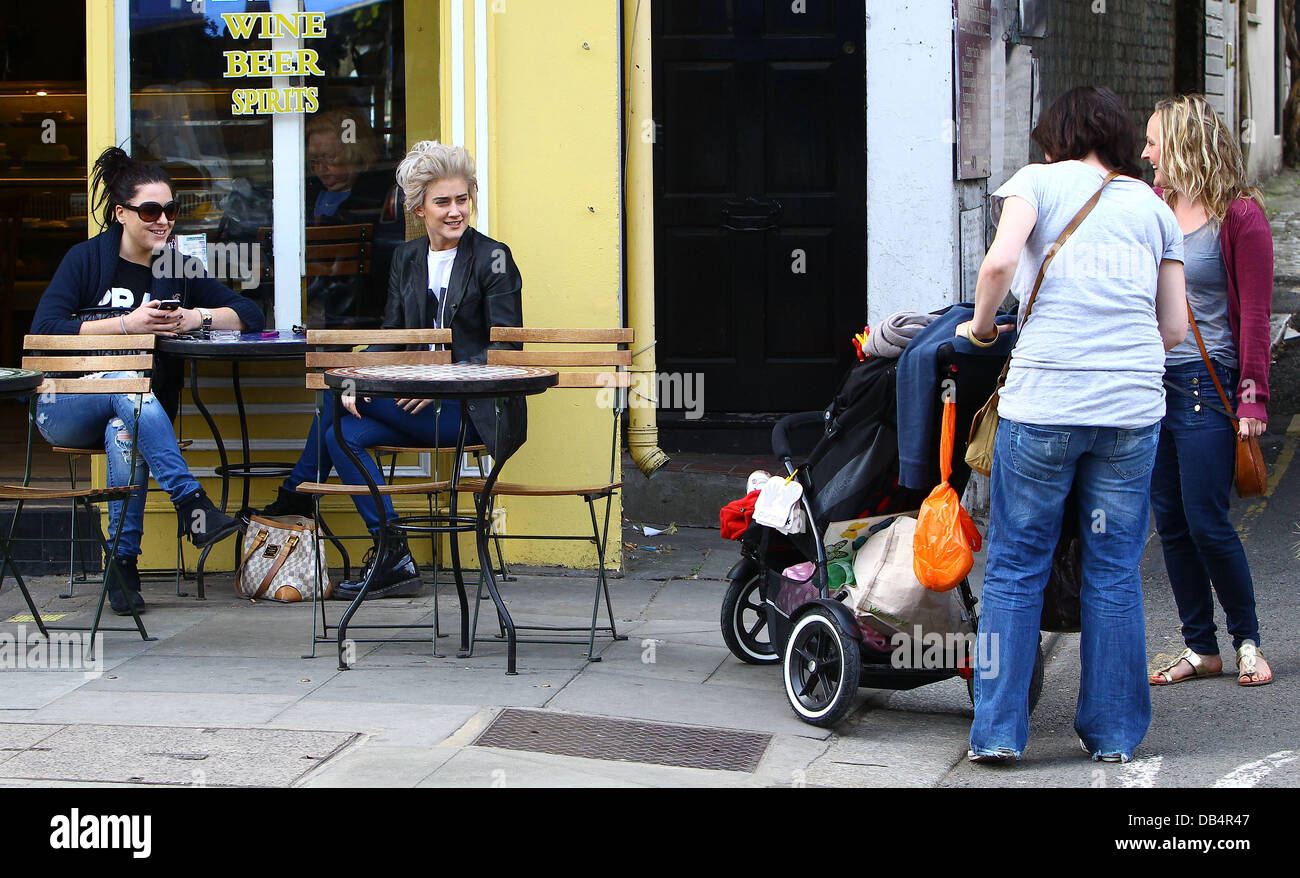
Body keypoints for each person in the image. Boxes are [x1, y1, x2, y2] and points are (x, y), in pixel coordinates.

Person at [961, 86, 1188, 763]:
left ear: (1056, 135)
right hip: (1130, 412)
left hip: (1046, 406)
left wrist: (979, 327)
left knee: (1014, 567)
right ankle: (1114, 735)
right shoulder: (1152, 207)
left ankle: (1000, 735)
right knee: (1114, 570)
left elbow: (1001, 262)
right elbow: (1173, 326)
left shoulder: (1037, 181)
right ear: (1118, 138)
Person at [256, 141, 524, 600]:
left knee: (333, 402)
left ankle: (300, 495)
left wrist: (441, 383)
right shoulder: (407, 258)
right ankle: (392, 551)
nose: (456, 211)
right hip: (418, 406)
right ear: (419, 208)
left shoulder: (493, 258)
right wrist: (355, 371)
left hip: (474, 409)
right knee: (343, 427)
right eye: (443, 202)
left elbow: (505, 347)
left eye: (463, 199)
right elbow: (393, 335)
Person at [30, 146, 264, 615]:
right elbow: (43, 333)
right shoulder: (86, 260)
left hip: (140, 412)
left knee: (125, 431)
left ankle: (122, 566)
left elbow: (251, 314)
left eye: (170, 210)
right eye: (150, 210)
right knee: (124, 379)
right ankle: (190, 500)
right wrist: (125, 325)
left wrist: (195, 317)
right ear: (121, 213)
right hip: (65, 405)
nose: (163, 221)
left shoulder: (176, 267)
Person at [1142, 95, 1274, 688]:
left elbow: (1255, 317)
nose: (1145, 153)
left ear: (1184, 147)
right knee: (1168, 519)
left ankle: (1247, 638)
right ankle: (1201, 647)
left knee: (1206, 518)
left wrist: (1252, 398)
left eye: (1154, 142)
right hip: (1153, 383)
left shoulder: (1239, 218)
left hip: (1205, 383)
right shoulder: (1152, 208)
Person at [303, 108, 395, 327]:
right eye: (314, 160)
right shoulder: (306, 193)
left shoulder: (374, 199)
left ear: (354, 153)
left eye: (330, 158)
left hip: (358, 314)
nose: (320, 168)